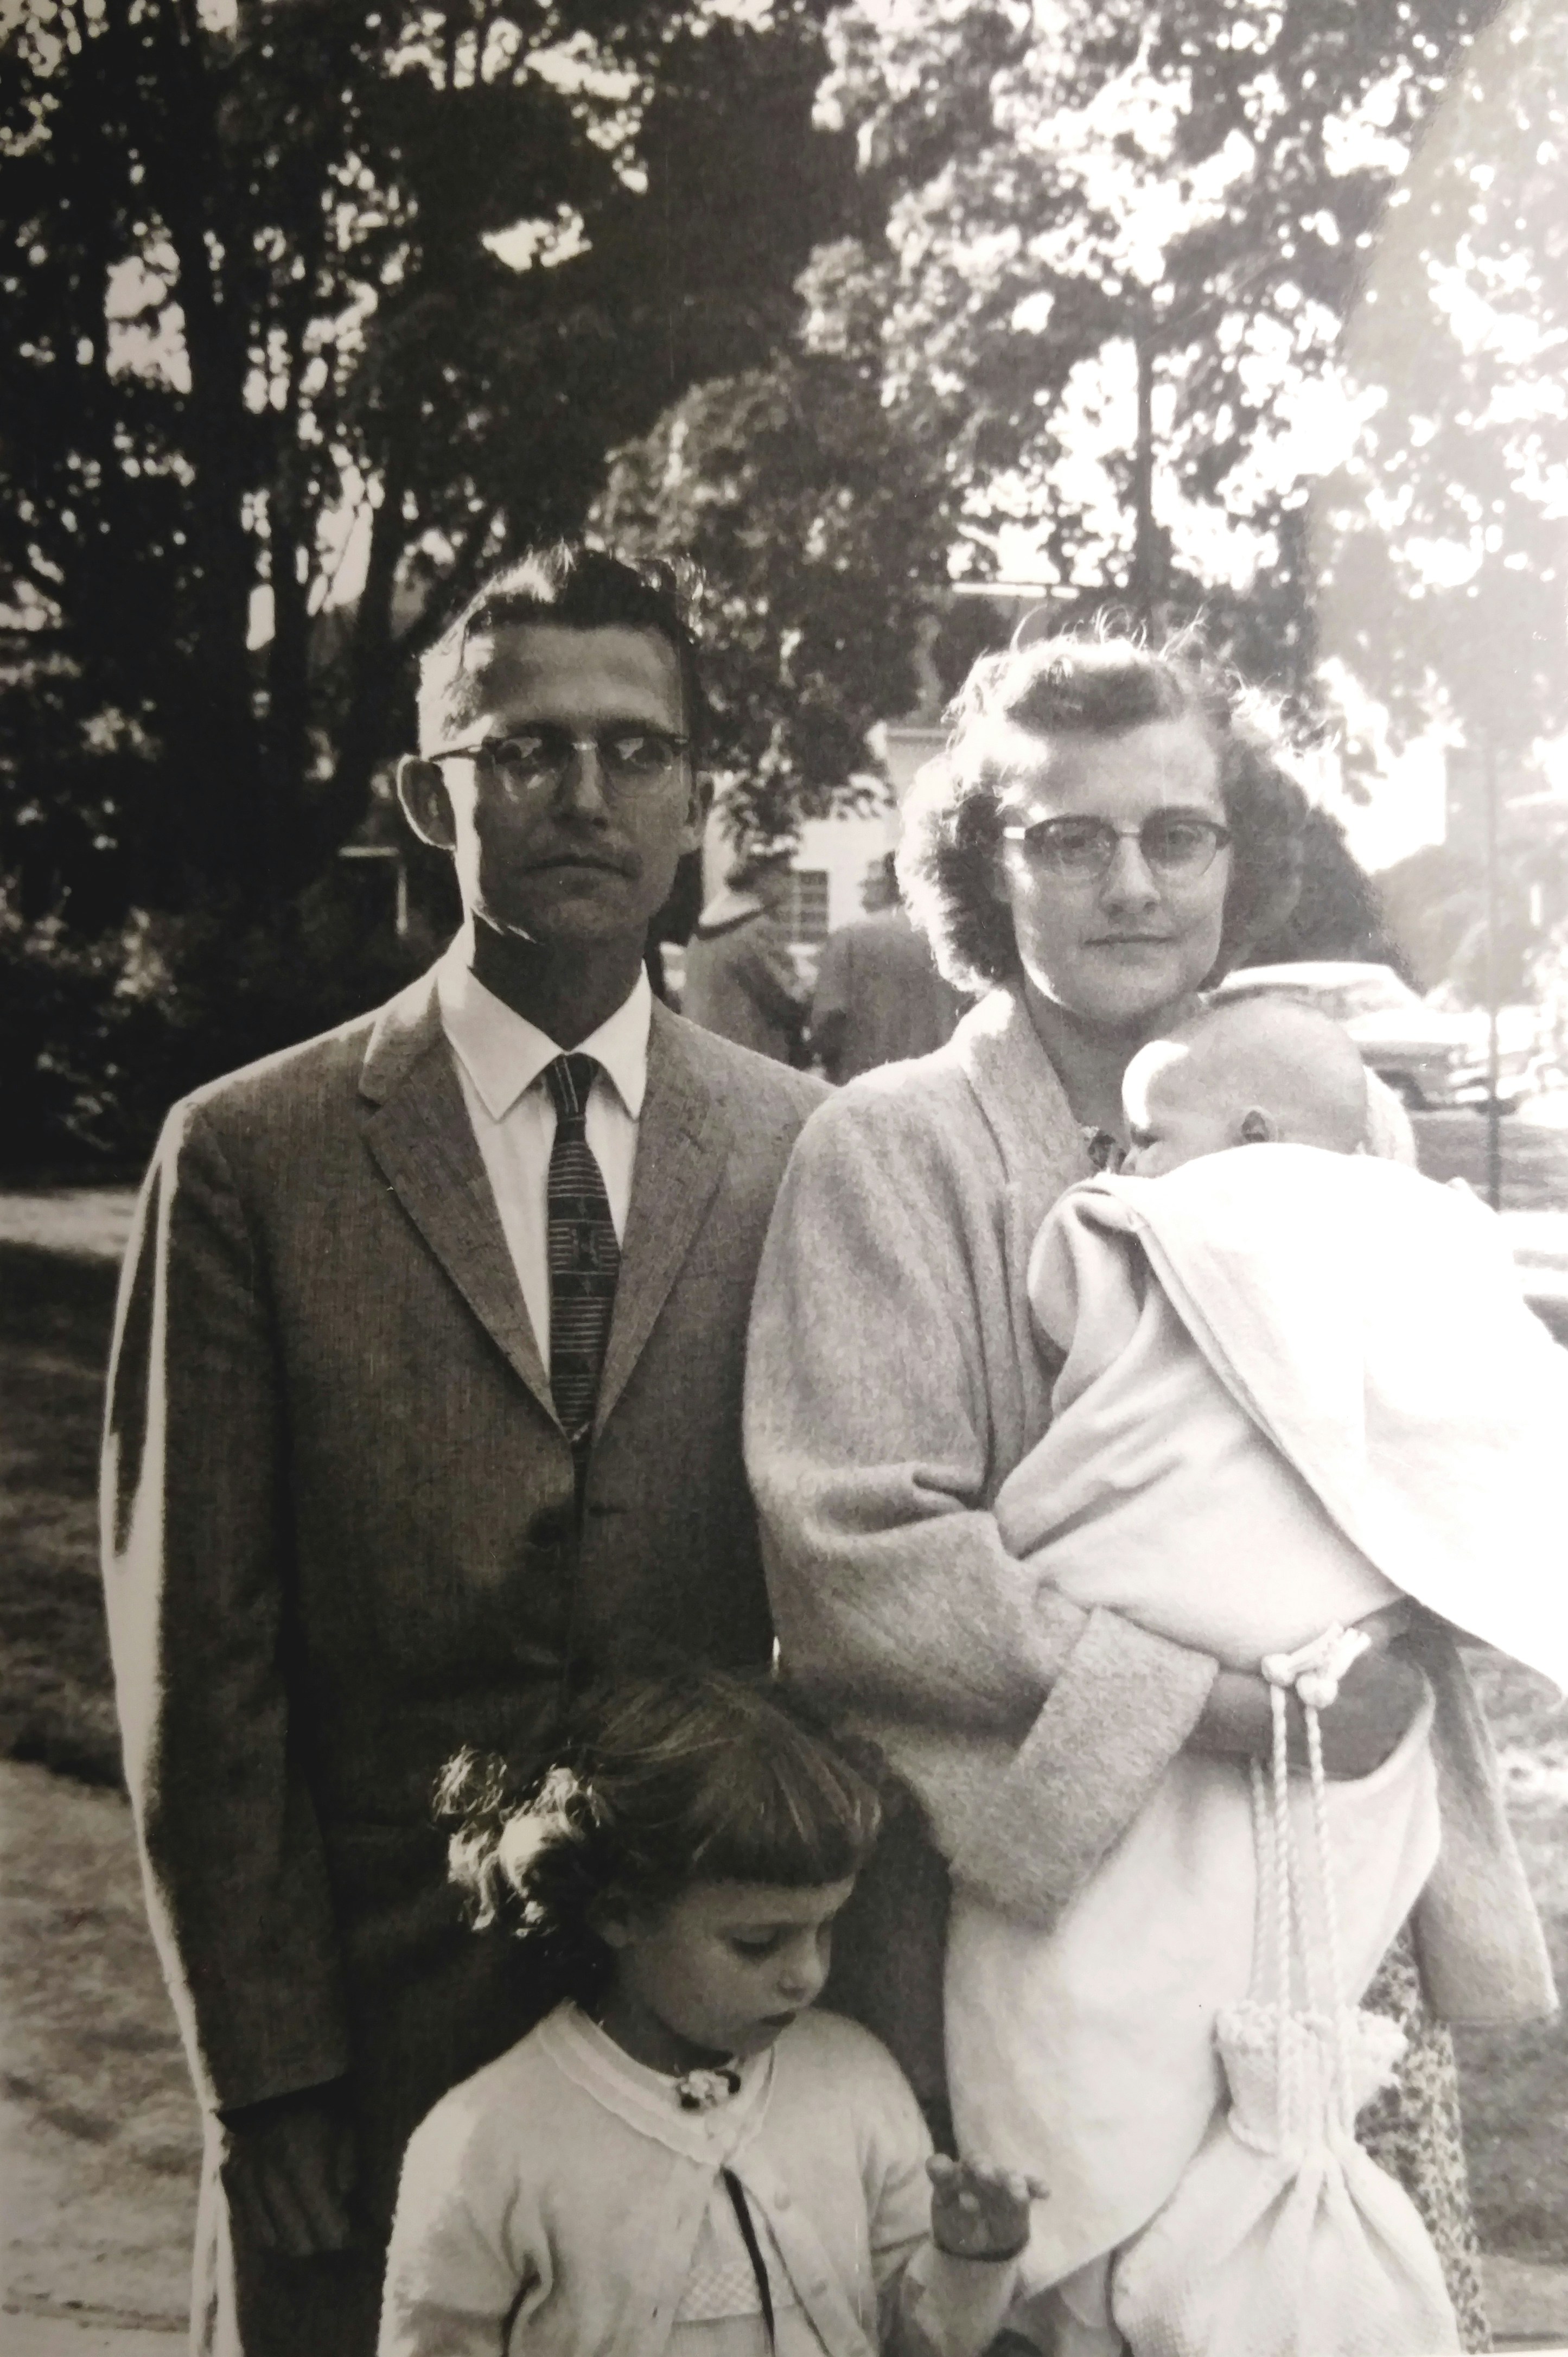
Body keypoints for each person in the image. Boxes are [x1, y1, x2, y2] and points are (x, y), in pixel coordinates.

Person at [744, 627, 1548, 2355]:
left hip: (1324, 1912)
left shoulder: (1337, 1132)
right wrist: (1211, 1695)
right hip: (1023, 1904)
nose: (1132, 883)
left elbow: (1443, 1437)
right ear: (981, 865)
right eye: (1070, 838)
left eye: (1176, 834)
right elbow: (851, 1551)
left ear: (1231, 856)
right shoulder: (893, 1146)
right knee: (1062, 2306)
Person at [100, 544, 826, 2357]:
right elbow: (201, 1653)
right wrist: (266, 2073)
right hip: (372, 2038)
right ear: (429, 796)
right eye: (525, 750)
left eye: (638, 750)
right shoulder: (254, 1155)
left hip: (718, 2048)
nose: (586, 794)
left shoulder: (813, 1146)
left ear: (697, 799)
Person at [945, 995, 1560, 2349]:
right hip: (1321, 1689)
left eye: (1148, 1138)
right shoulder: (1432, 1242)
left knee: (1100, 1970)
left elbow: (1073, 1301)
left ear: (1254, 1138)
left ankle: (1091, 2216)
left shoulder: (1182, 1218)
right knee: (1270, 1962)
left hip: (1217, 1656)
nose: (1121, 1169)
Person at [380, 1665, 1044, 2357]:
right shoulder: (486, 2143)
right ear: (620, 1915)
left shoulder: (856, 2079)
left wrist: (967, 2262)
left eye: (826, 1929)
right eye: (757, 1944)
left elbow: (920, 2344)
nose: (807, 1975)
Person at [810, 853, 965, 1085]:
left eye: (872, 881)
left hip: (866, 1084)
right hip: (941, 1083)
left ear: (889, 882)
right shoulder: (953, 938)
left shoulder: (850, 938)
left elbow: (828, 1020)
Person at [684, 849, 808, 1063]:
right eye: (785, 873)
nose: (790, 883)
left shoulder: (706, 925)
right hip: (747, 1057)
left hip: (704, 1051)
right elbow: (789, 999)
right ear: (761, 876)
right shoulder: (755, 929)